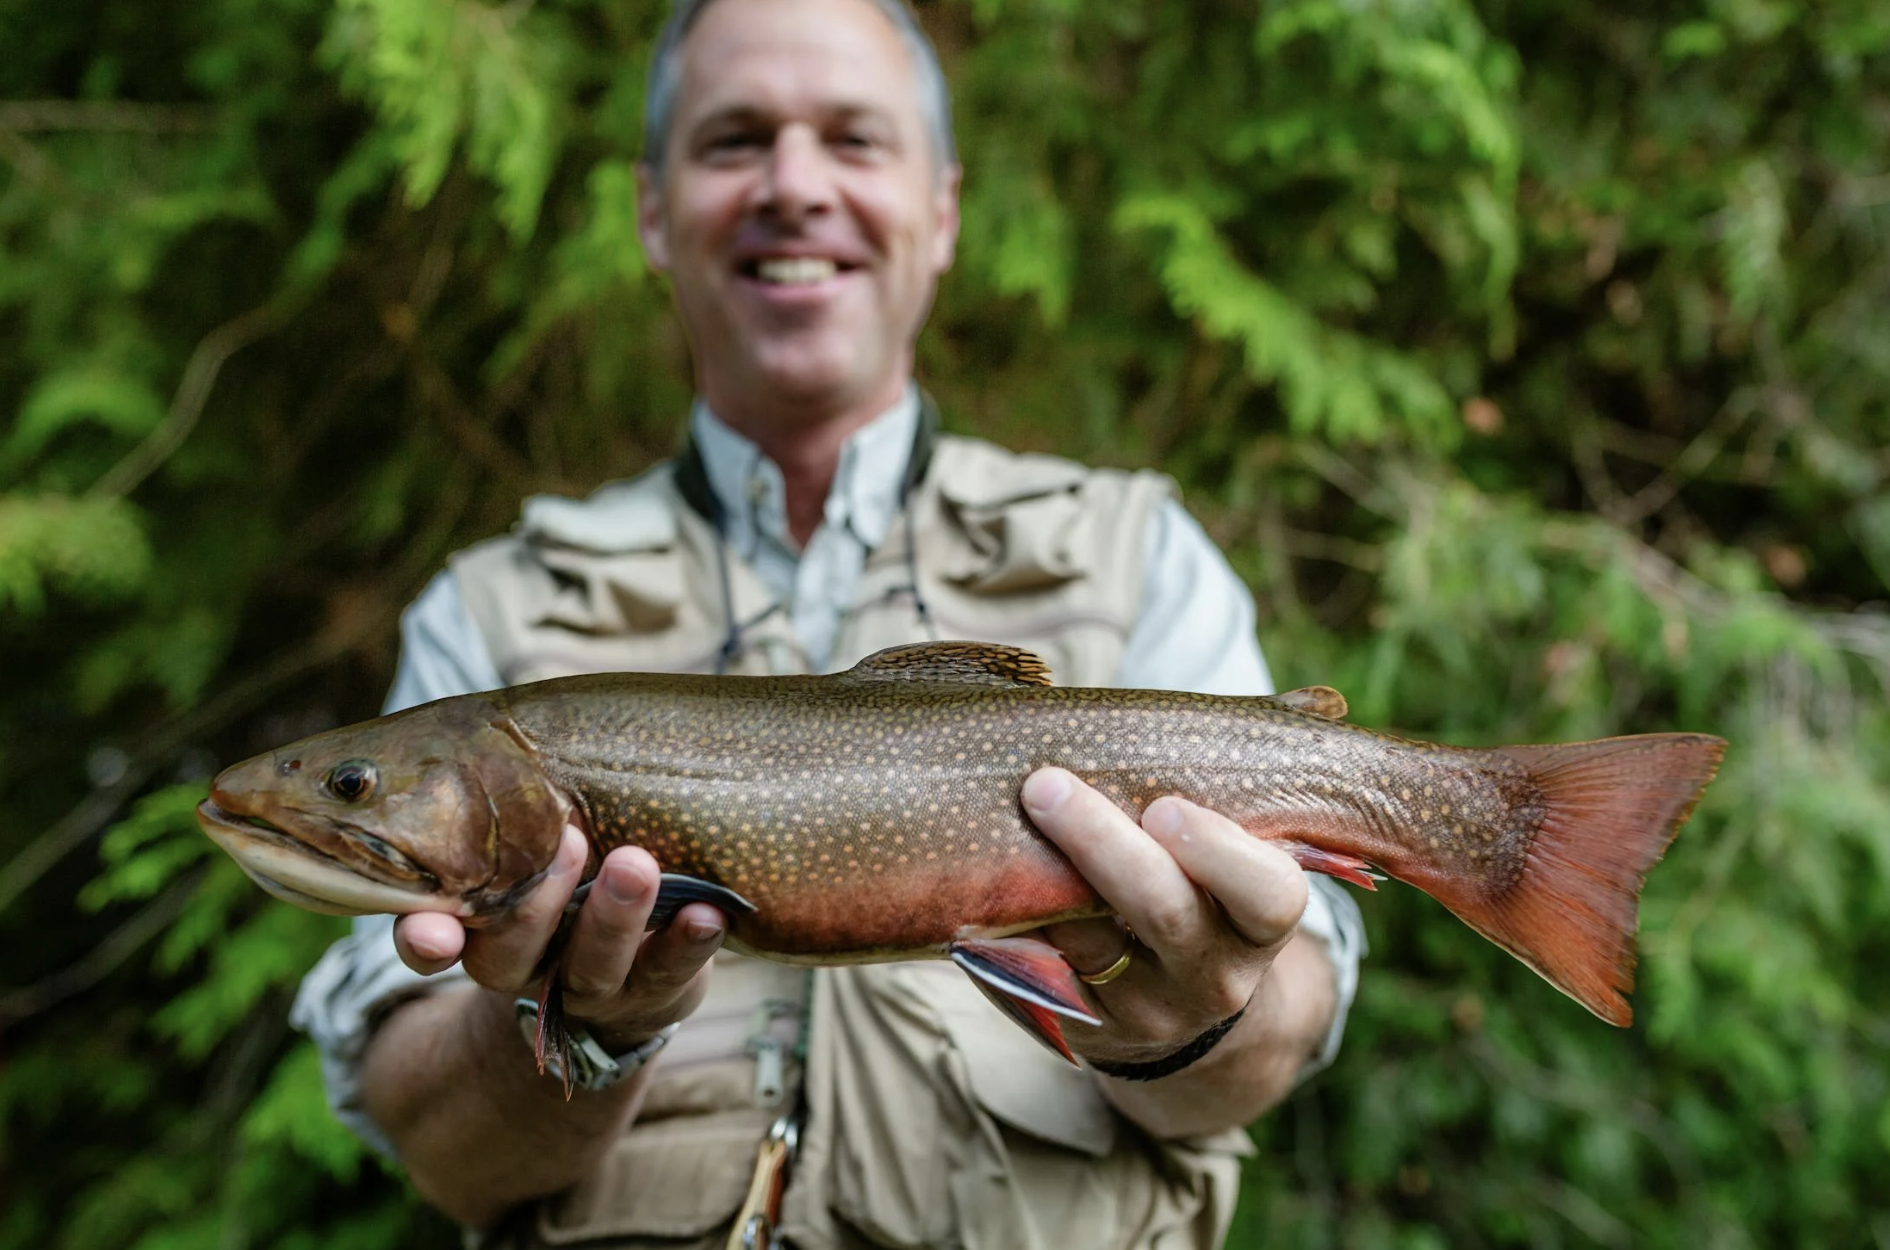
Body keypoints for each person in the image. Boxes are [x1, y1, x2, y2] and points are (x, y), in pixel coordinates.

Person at [292, 0, 1366, 1246]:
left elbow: (1290, 1023)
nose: (795, 185)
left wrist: (1206, 1014)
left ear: (945, 208)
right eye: (736, 139)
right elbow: (442, 1149)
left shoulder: (1140, 551)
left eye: (853, 140)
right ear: (652, 207)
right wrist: (573, 1023)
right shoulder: (485, 610)